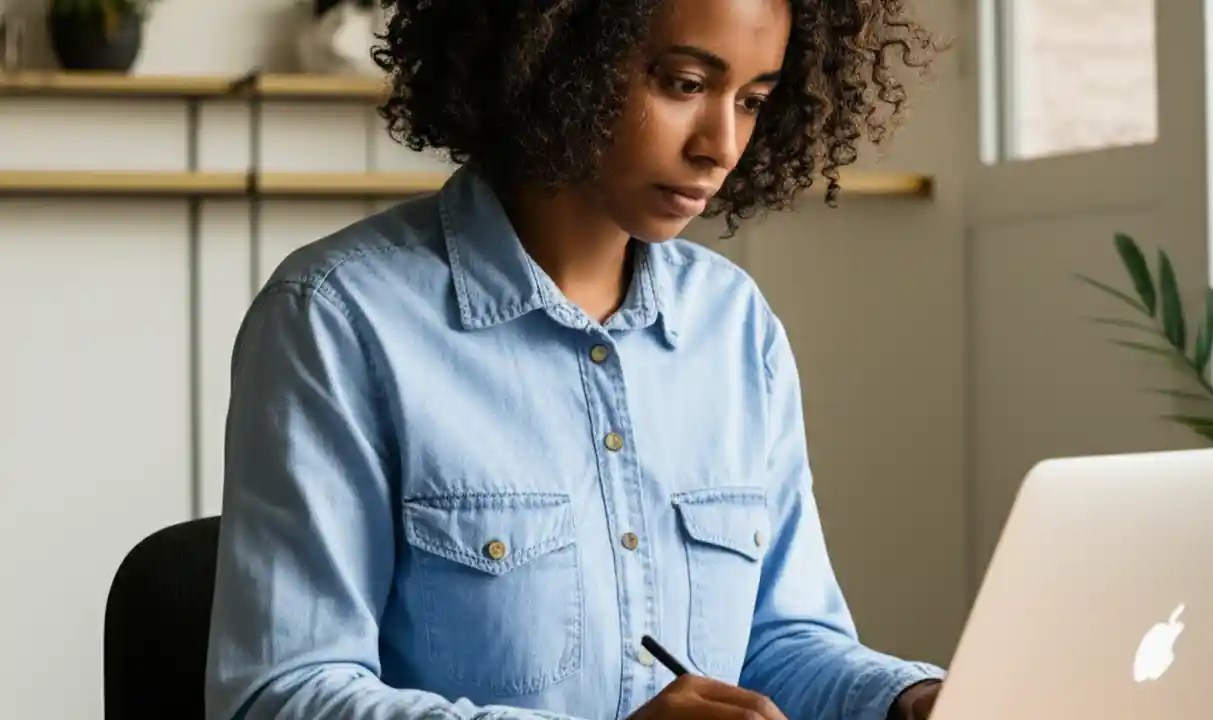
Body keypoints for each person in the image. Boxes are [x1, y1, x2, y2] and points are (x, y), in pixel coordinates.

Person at [205, 1, 947, 719]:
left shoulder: (735, 328)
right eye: (685, 85)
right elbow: (282, 695)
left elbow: (780, 640)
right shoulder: (339, 318)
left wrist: (910, 699)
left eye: (752, 100)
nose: (719, 144)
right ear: (560, 58)